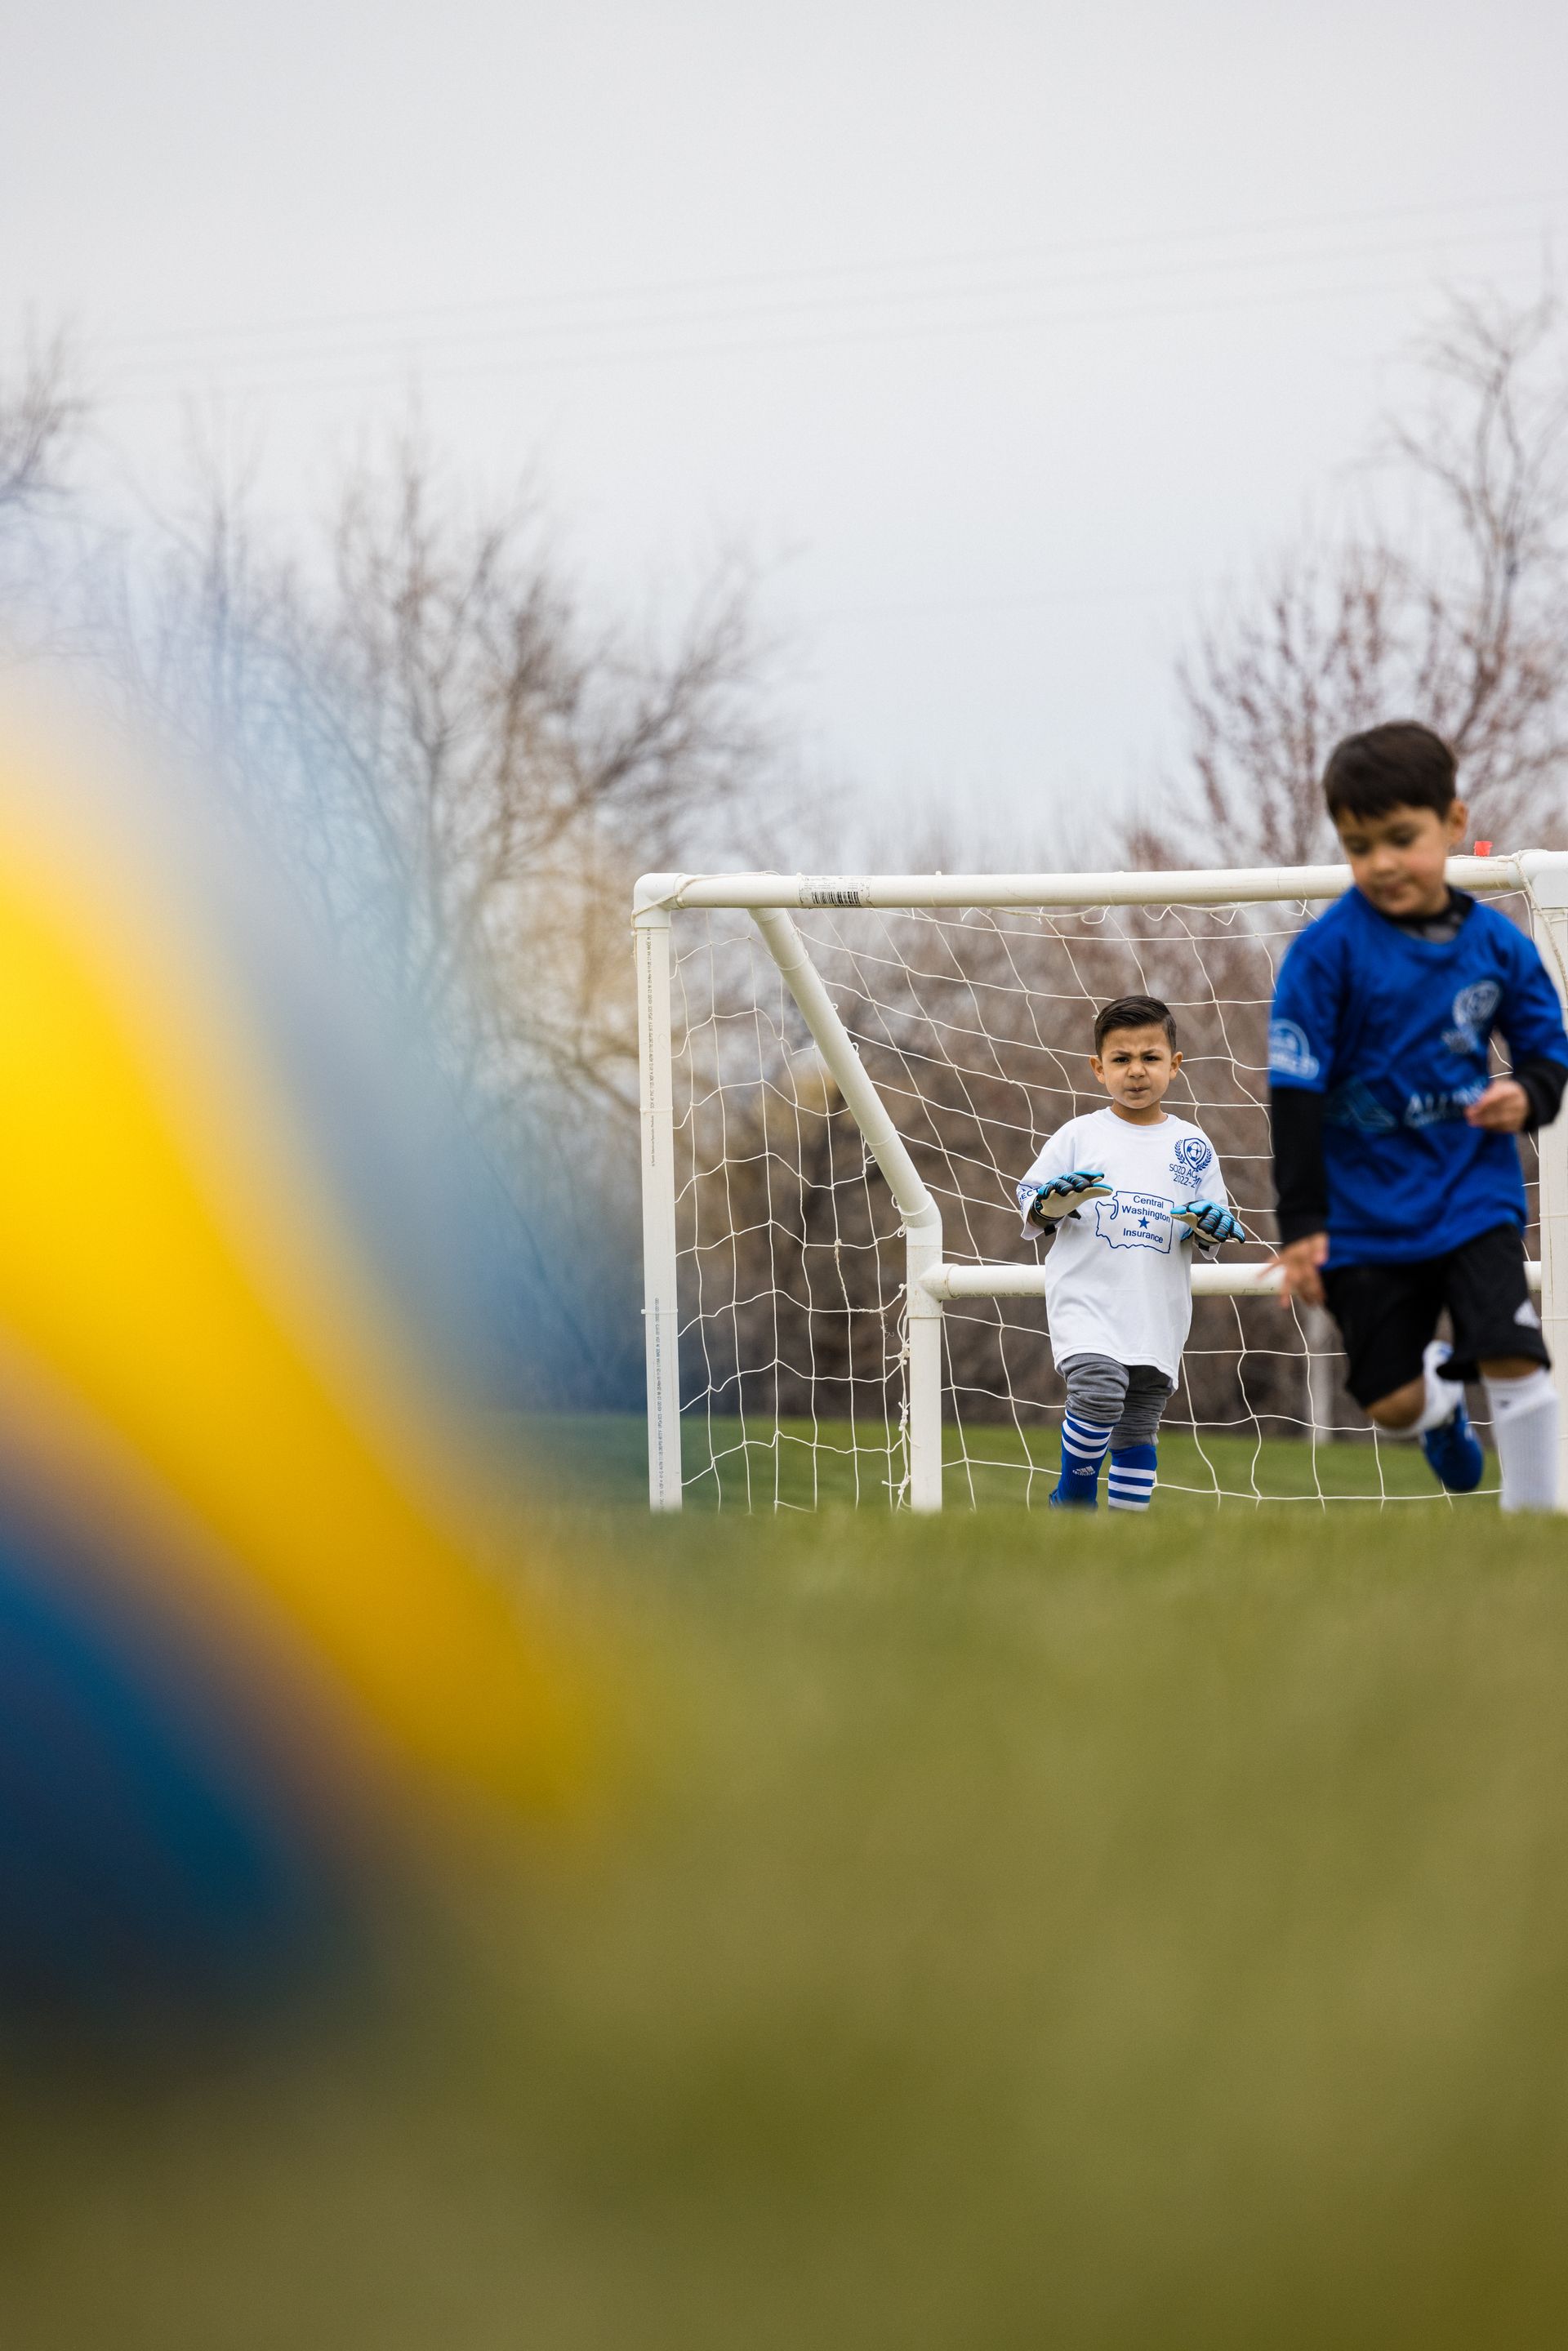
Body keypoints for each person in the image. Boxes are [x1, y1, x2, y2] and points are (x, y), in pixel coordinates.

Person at [1269, 719, 1568, 1511]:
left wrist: (1530, 1093)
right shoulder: (1323, 954)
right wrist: (1301, 1226)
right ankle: (1436, 1405)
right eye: (1361, 845)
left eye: (1403, 837)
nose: (1384, 862)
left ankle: (1538, 1528)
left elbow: (1547, 1048)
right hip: (1363, 1216)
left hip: (1474, 1193)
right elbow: (1294, 1096)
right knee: (1390, 1401)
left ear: (1454, 824)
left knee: (1513, 1352)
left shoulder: (1496, 947)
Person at [1016, 994, 1243, 1512]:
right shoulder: (1079, 1135)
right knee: (1098, 1392)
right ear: (1099, 1069)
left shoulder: (1194, 1145)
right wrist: (1051, 1203)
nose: (1136, 1072)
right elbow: (1031, 1203)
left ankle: (1124, 1537)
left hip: (1157, 1313)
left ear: (1175, 1065)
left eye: (1150, 1058)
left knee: (1139, 1425)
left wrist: (1210, 1228)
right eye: (1121, 1060)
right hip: (1090, 1303)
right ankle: (1072, 1497)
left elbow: (1210, 1228)